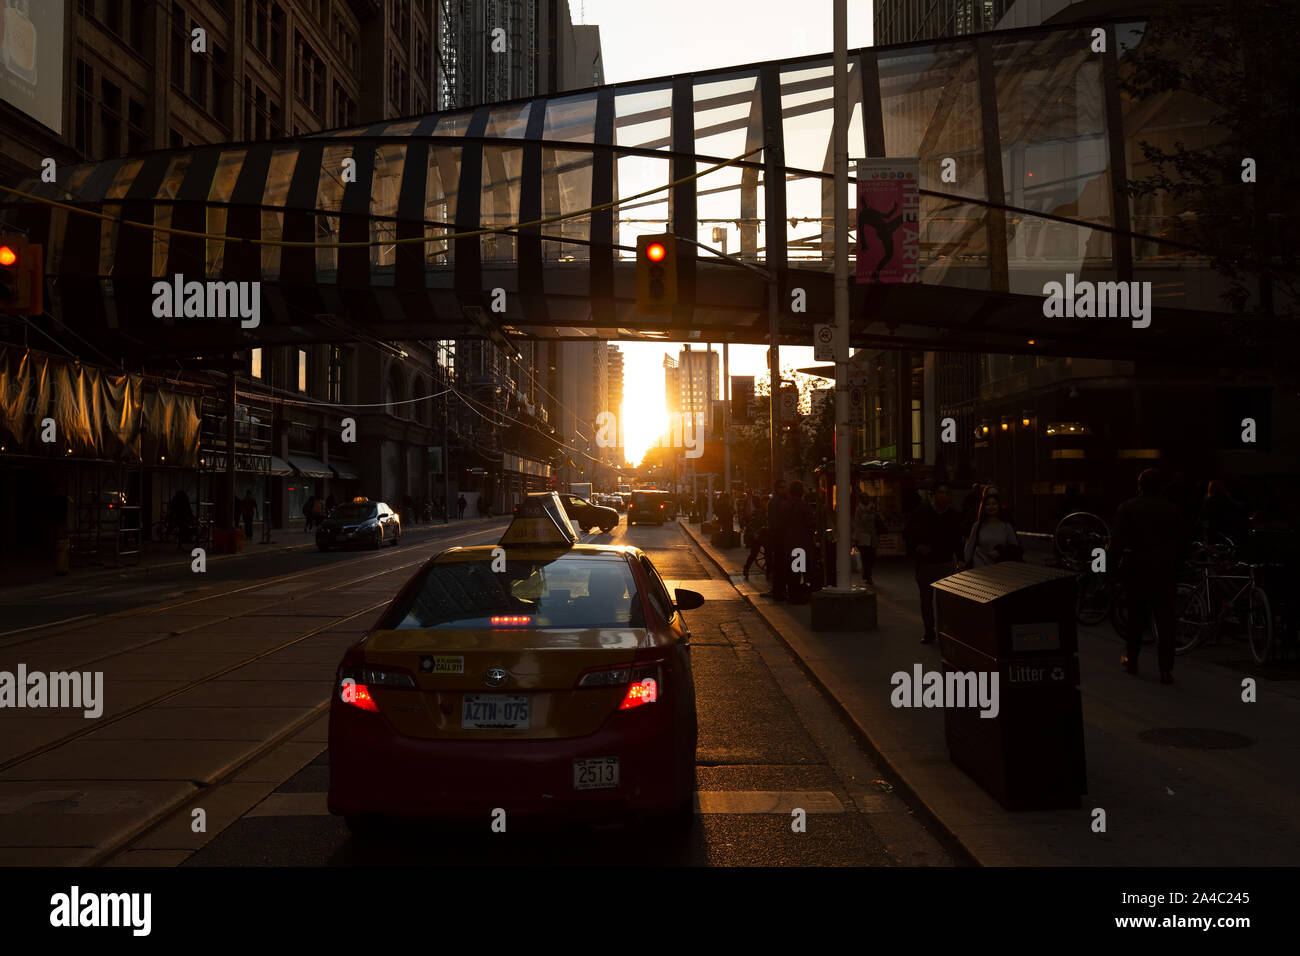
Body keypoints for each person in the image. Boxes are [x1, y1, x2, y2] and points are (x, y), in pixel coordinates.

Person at [1111, 468, 1185, 685]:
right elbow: (1181, 543)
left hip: (1137, 569)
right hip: (1164, 570)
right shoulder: (1171, 511)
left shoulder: (1127, 508)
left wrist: (1112, 570)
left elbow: (1116, 543)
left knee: (1136, 618)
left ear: (1139, 486)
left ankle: (1132, 659)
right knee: (1165, 621)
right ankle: (1165, 669)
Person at [903, 482, 965, 644]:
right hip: (926, 564)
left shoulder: (953, 515)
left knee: (943, 600)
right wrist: (918, 547)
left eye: (947, 493)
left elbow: (957, 539)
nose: (944, 496)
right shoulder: (922, 512)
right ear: (934, 495)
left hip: (945, 562)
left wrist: (961, 558)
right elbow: (908, 534)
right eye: (941, 493)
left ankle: (943, 631)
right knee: (926, 599)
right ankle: (929, 630)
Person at [964, 490, 1020, 568]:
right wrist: (964, 562)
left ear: (998, 506)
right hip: (980, 567)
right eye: (988, 504)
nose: (991, 507)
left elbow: (1014, 547)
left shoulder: (1006, 526)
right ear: (983, 507)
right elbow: (970, 546)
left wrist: (1000, 552)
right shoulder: (977, 526)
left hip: (1000, 567)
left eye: (994, 504)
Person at [784, 481, 816, 603]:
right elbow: (810, 524)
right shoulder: (803, 506)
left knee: (792, 571)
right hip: (801, 543)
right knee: (799, 570)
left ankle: (793, 594)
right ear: (801, 492)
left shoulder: (784, 505)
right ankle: (797, 596)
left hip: (788, 543)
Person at [761, 480, 791, 600]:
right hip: (779, 538)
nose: (785, 489)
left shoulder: (780, 501)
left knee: (781, 565)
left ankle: (780, 590)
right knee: (779, 565)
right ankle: (779, 591)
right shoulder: (777, 502)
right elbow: (776, 522)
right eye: (783, 487)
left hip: (781, 538)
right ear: (778, 489)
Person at [1199, 479, 1249, 550]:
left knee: (1213, 548)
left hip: (1213, 526)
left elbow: (1204, 514)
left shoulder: (1210, 500)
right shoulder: (1226, 498)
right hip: (1225, 526)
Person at [853, 493, 884, 586]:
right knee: (866, 558)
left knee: (870, 558)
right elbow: (859, 523)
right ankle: (867, 575)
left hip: (871, 537)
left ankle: (867, 575)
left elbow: (878, 518)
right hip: (864, 538)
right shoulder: (859, 510)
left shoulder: (872, 509)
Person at [742, 498, 769, 580]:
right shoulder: (758, 512)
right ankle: (746, 568)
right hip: (757, 536)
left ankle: (769, 572)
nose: (766, 505)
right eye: (765, 503)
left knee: (768, 554)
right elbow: (751, 524)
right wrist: (755, 533)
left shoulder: (771, 512)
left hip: (766, 536)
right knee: (754, 554)